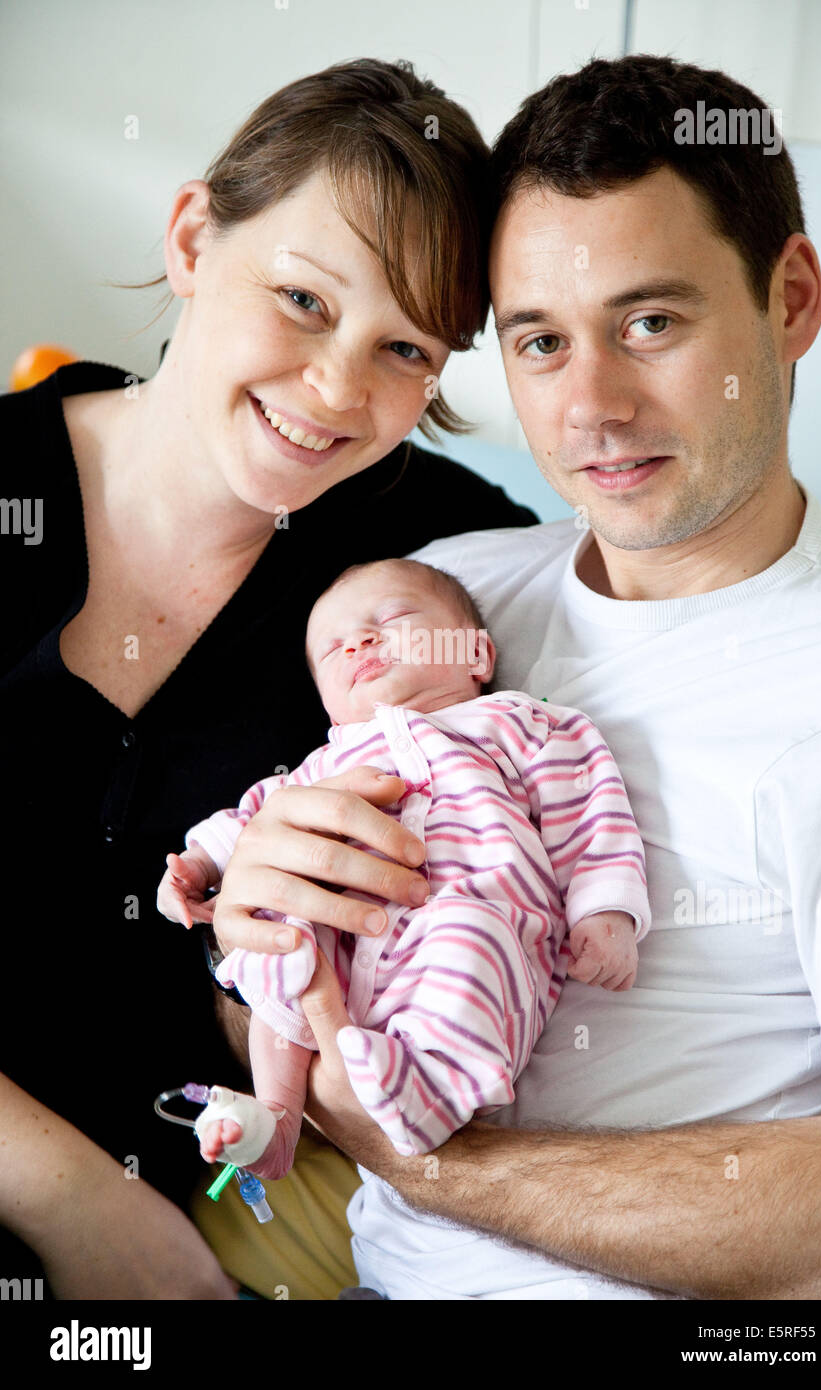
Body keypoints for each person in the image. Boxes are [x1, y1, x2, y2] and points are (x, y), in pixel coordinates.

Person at [210, 54, 821, 1300]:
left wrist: (430, 1159)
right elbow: (289, 1005)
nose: (591, 409)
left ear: (787, 301)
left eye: (650, 323)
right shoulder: (444, 596)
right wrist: (264, 923)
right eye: (538, 342)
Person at [0, 58, 541, 1299]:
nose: (340, 391)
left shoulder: (428, 558)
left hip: (200, 1222)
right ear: (193, 237)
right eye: (301, 298)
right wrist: (76, 1201)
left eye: (404, 347)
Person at [157, 557, 649, 1183]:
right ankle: (279, 1120)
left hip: (472, 922)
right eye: (334, 649)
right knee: (278, 948)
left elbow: (587, 808)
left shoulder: (520, 725)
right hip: (347, 942)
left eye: (390, 621)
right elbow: (253, 818)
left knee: (473, 939)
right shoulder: (324, 762)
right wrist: (199, 864)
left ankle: (429, 1090)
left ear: (476, 654)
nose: (358, 641)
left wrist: (604, 909)